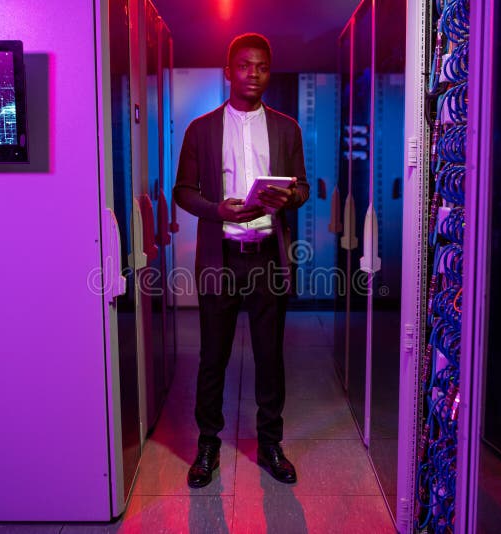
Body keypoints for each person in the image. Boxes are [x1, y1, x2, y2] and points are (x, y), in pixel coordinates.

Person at [173, 33, 309, 488]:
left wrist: (289, 195)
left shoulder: (287, 128)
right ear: (229, 71)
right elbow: (183, 192)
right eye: (245, 66)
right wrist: (218, 210)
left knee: (271, 357)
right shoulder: (201, 129)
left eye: (263, 67)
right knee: (213, 355)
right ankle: (208, 442)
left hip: (267, 257)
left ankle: (270, 443)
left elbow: (303, 188)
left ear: (270, 72)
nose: (254, 74)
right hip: (221, 256)